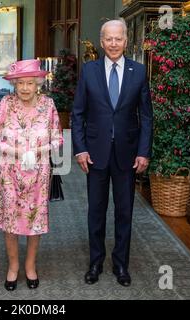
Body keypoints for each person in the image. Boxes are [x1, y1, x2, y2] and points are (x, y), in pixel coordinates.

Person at [71, 20, 153, 287]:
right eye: (109, 39)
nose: (114, 44)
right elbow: (78, 113)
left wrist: (144, 151)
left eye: (119, 39)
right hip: (95, 154)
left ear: (126, 41)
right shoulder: (89, 71)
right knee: (96, 211)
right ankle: (95, 263)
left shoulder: (139, 72)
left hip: (128, 156)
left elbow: (147, 117)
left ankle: (121, 265)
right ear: (102, 40)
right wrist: (80, 149)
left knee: (124, 212)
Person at [0, 59, 63, 291]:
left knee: (34, 220)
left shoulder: (48, 105)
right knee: (10, 220)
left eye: (30, 83)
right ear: (15, 84)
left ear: (38, 83)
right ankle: (13, 266)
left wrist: (38, 151)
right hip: (10, 172)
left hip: (38, 173)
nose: (25, 88)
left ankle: (30, 266)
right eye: (21, 83)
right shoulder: (5, 104)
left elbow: (58, 138)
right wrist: (16, 151)